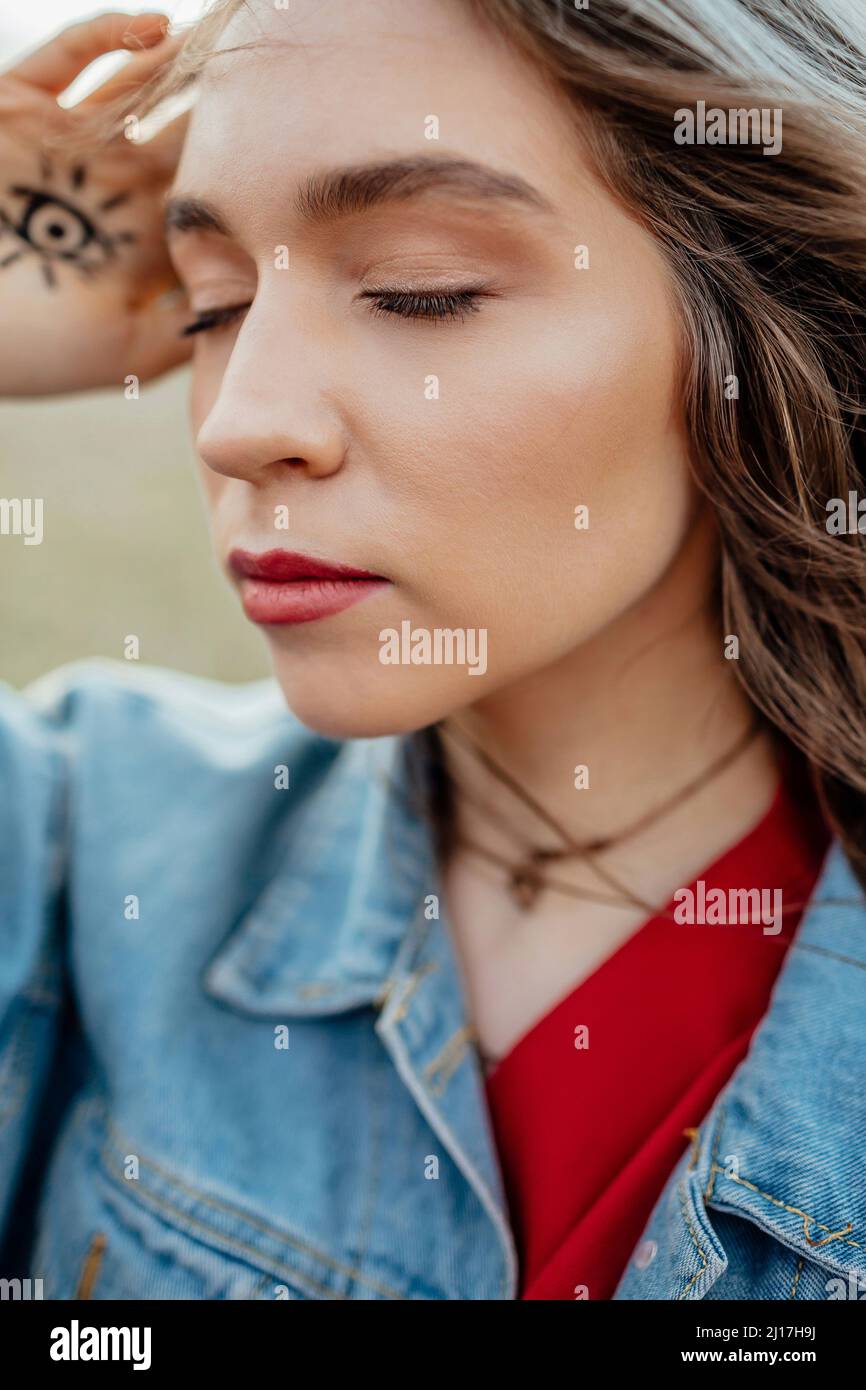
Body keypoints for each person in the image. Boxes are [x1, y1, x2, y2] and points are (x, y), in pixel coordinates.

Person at [1, 0, 864, 1302]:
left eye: (420, 289)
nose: (242, 422)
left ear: (754, 330)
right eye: (210, 304)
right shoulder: (80, 838)